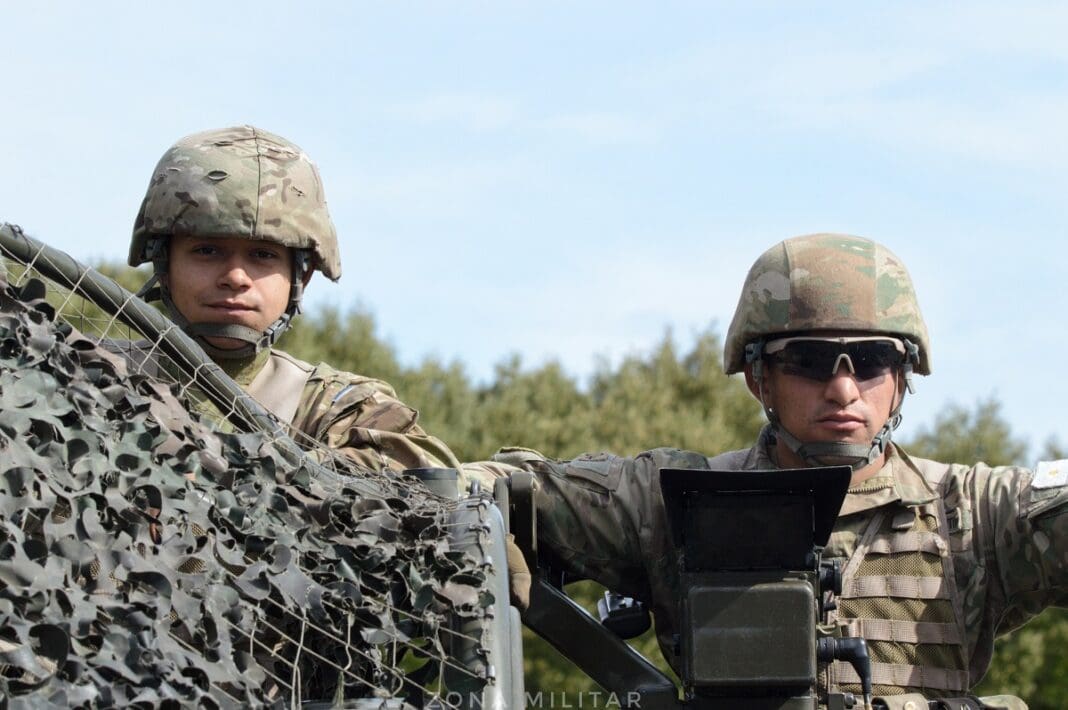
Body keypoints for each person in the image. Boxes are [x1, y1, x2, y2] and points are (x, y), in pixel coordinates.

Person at [487, 233, 1068, 705]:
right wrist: (480, 507)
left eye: (871, 360)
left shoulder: (974, 513)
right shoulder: (677, 501)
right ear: (758, 378)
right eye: (810, 361)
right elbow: (497, 489)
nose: (843, 388)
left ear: (902, 378)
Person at [122, 125, 459, 473]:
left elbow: (429, 474)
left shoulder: (332, 407)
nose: (236, 277)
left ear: (302, 275)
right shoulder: (92, 374)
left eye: (263, 255)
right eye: (207, 251)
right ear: (164, 263)